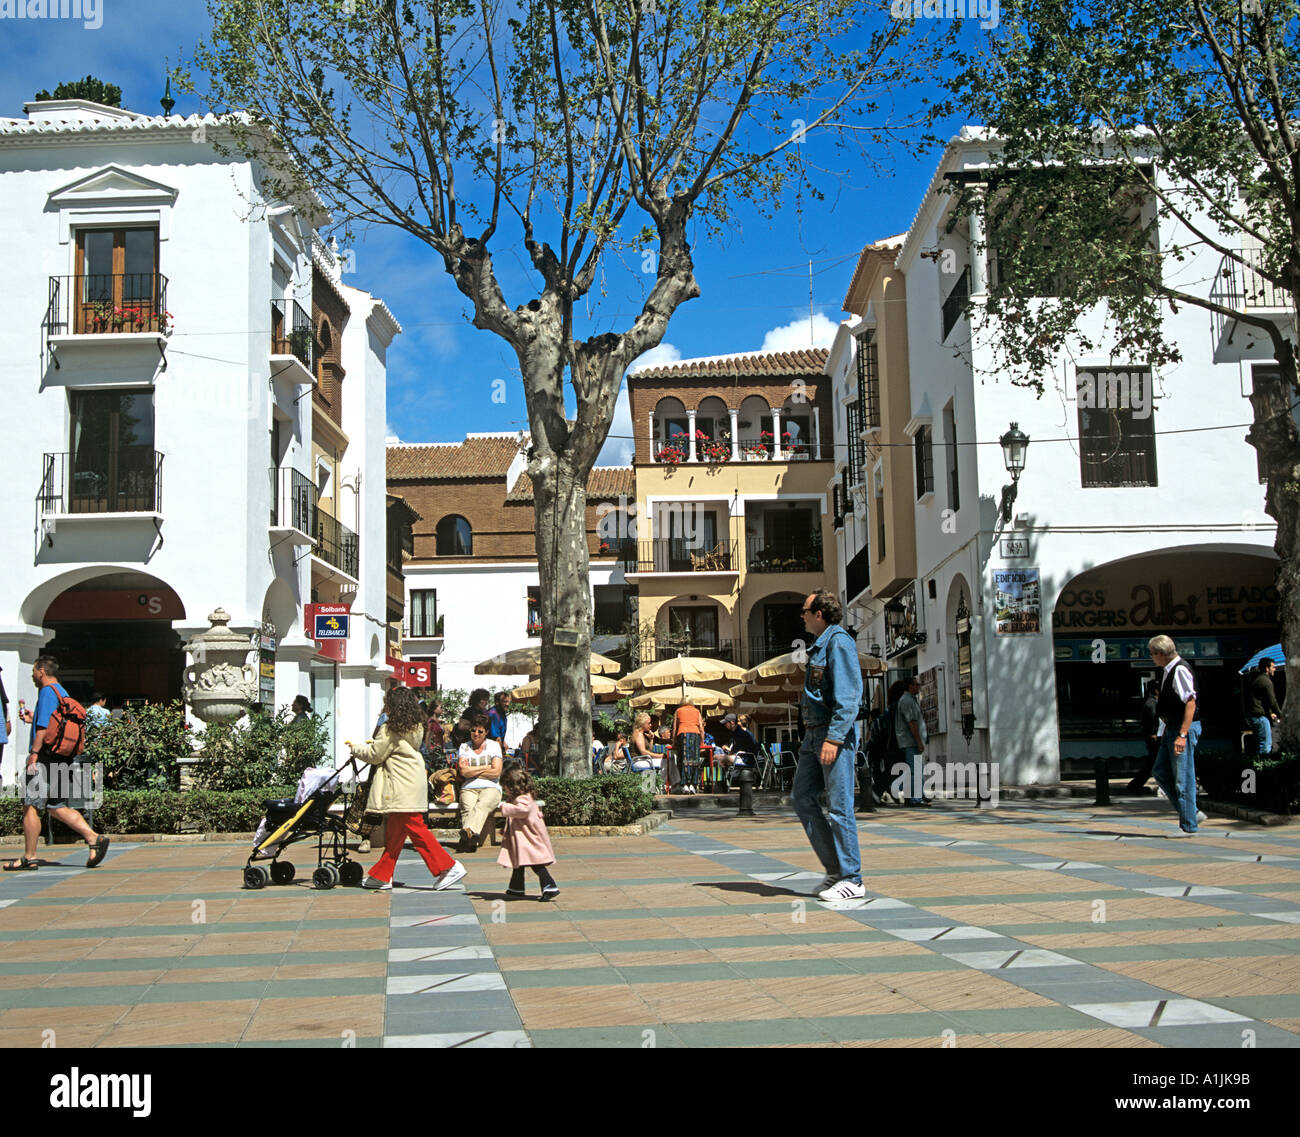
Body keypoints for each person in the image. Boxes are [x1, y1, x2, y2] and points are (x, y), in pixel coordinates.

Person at [347, 685, 466, 890]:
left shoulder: (390, 728)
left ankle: (448, 867)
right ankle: (382, 875)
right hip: (413, 780)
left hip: (399, 784)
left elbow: (376, 754)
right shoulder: (416, 726)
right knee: (395, 831)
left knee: (415, 828)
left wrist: (355, 749)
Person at [5, 656, 110, 872]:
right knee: (56, 806)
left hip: (44, 757)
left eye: (34, 671)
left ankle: (29, 856)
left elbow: (44, 728)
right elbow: (54, 722)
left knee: (30, 805)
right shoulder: (61, 691)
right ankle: (94, 838)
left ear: (41, 671)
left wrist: (34, 753)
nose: (33, 675)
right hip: (62, 758)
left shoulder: (46, 692)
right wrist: (33, 718)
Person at [793, 589, 864, 901]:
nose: (802, 616)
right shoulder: (819, 645)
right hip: (813, 736)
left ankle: (852, 878)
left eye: (805, 611)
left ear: (818, 614)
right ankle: (835, 872)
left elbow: (849, 696)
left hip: (831, 735)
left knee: (839, 808)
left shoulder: (839, 642)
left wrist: (835, 738)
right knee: (801, 798)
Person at [1148, 634, 1205, 837]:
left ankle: (1189, 824)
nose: (1152, 658)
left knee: (1183, 778)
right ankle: (1191, 813)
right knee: (1161, 771)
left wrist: (1182, 734)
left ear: (1161, 654)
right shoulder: (1168, 670)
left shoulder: (1179, 669)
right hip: (1171, 728)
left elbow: (1190, 702)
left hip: (1181, 729)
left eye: (1153, 654)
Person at [497, 764, 559, 901]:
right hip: (524, 838)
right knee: (519, 862)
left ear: (512, 786)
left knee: (536, 862)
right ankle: (516, 888)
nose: (504, 791)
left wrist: (504, 807)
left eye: (505, 788)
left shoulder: (522, 799)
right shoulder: (521, 797)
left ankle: (550, 885)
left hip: (529, 838)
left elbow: (522, 811)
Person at [457, 712, 503, 851]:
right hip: (469, 787)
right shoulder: (464, 747)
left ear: (487, 732)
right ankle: (472, 839)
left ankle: (467, 836)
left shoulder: (494, 746)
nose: (476, 734)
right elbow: (464, 772)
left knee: (481, 806)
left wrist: (473, 772)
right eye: (473, 730)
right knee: (467, 809)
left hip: (491, 787)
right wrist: (485, 767)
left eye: (480, 731)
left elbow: (496, 772)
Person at [894, 675, 928, 806]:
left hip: (911, 742)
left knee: (916, 769)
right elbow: (912, 722)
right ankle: (915, 798)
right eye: (916, 684)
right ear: (910, 686)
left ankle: (917, 795)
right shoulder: (907, 701)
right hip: (911, 742)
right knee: (915, 771)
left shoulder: (911, 700)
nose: (919, 687)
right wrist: (919, 742)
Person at [1125, 680, 1161, 795]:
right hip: (1153, 737)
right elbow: (1153, 720)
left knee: (1153, 762)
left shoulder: (1152, 702)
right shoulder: (1152, 703)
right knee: (1153, 762)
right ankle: (1135, 785)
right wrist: (1154, 733)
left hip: (1152, 736)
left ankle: (1135, 784)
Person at [1243, 658, 1282, 757]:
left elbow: (1261, 700)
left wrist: (1269, 713)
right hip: (1260, 717)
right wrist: (1280, 714)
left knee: (1261, 744)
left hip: (1254, 715)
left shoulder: (1257, 679)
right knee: (1265, 746)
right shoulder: (1266, 682)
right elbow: (1272, 701)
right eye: (1273, 667)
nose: (1275, 669)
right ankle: (1263, 768)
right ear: (1267, 668)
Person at [672, 696, 703, 795]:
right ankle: (693, 784)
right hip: (695, 734)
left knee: (683, 758)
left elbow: (674, 728)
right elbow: (701, 727)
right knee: (694, 759)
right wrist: (702, 741)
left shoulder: (678, 711)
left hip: (683, 734)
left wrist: (673, 742)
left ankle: (684, 784)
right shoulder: (697, 711)